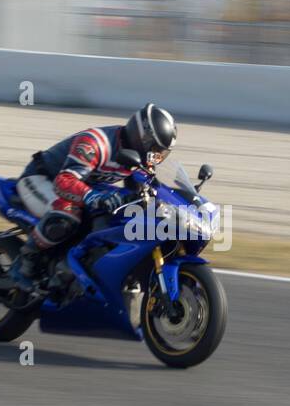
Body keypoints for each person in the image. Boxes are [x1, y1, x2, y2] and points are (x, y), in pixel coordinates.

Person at [10, 102, 177, 291]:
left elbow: (142, 189)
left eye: (161, 153)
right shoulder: (95, 143)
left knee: (115, 219)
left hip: (82, 186)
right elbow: (64, 181)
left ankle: (74, 270)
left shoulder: (139, 159)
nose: (156, 157)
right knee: (67, 215)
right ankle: (25, 263)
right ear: (142, 138)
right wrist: (92, 197)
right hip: (43, 178)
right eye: (155, 149)